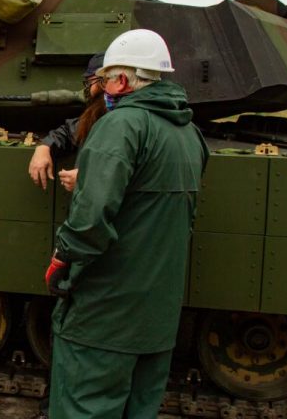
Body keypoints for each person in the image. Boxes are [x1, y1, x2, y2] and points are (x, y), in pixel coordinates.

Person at [44, 29, 209, 418]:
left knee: (85, 407)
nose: (99, 89)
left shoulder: (120, 126)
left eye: (102, 80)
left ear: (120, 80)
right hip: (157, 316)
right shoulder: (190, 132)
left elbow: (89, 219)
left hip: (105, 316)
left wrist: (61, 262)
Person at [28, 52, 107, 191]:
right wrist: (44, 147)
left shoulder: (125, 120)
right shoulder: (99, 114)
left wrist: (86, 180)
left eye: (90, 82)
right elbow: (70, 130)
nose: (88, 89)